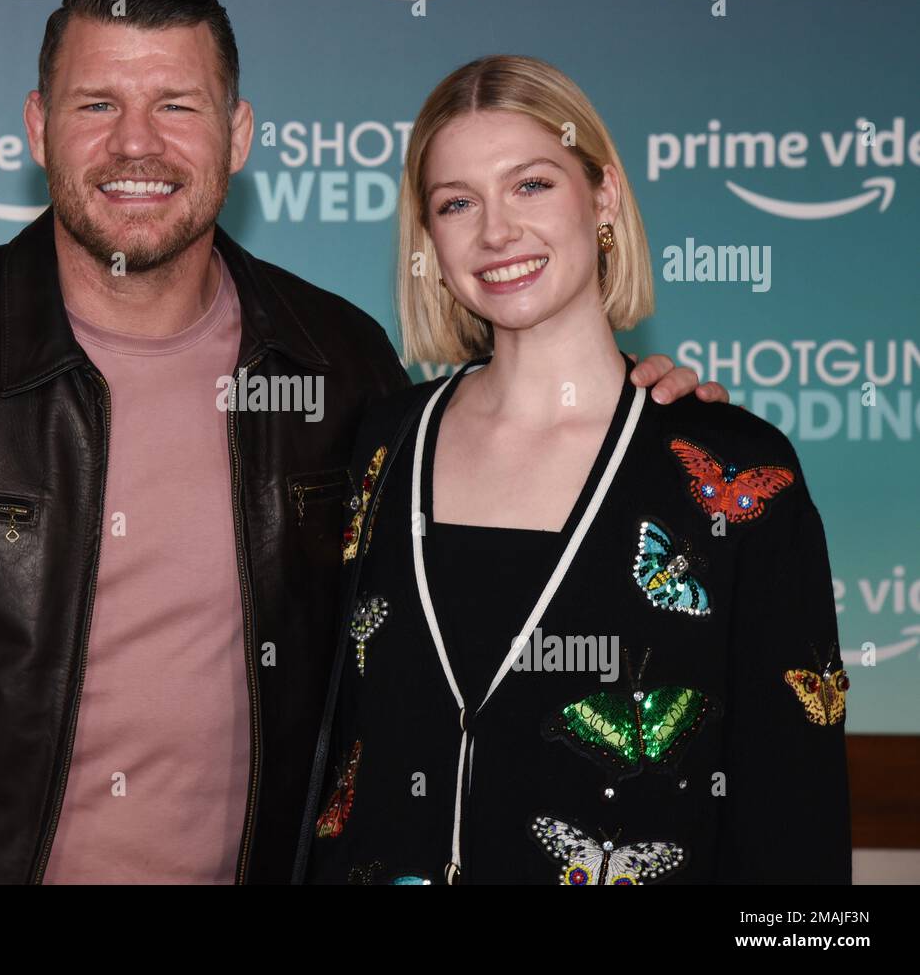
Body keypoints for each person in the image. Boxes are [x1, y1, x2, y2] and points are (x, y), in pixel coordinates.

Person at [0, 0, 723, 885]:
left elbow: (479, 524)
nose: (134, 143)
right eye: (96, 103)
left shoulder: (334, 362)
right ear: (36, 127)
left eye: (175, 106)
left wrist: (619, 419)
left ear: (235, 135)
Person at [296, 55, 850, 886]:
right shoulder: (383, 442)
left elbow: (794, 808)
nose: (495, 232)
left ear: (604, 196)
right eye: (457, 203)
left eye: (531, 186)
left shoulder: (730, 470)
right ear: (430, 239)